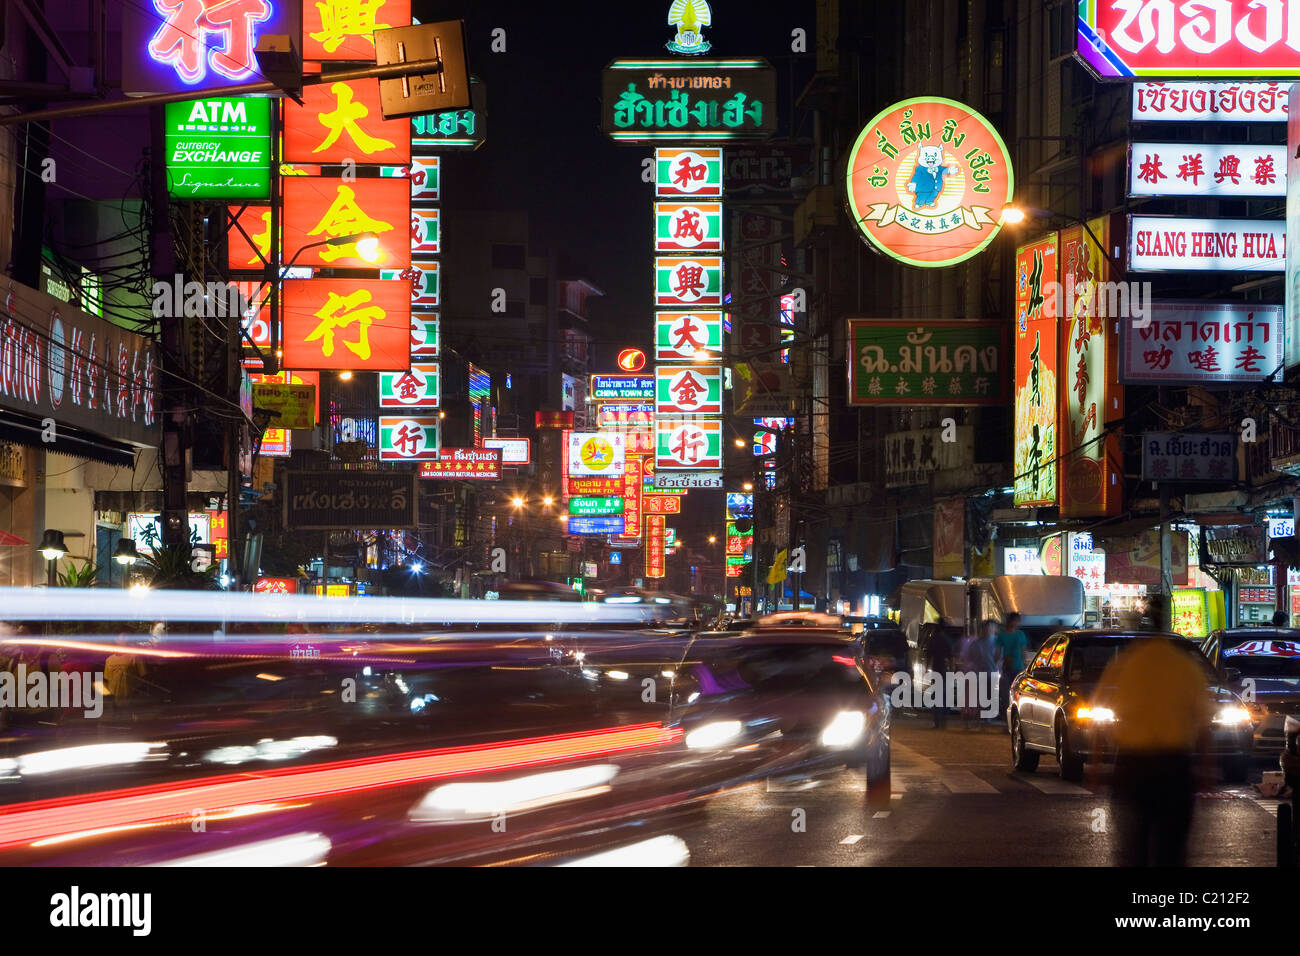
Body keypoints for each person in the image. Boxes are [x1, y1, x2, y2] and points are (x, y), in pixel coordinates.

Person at [1100, 637, 1210, 867]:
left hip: (1132, 767)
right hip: (1174, 767)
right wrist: (1206, 767)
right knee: (1171, 850)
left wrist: (1096, 762)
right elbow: (1203, 724)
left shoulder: (1126, 663)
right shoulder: (1185, 665)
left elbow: (1100, 716)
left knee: (1133, 848)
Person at [996, 613, 1031, 726]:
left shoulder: (1020, 635)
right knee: (1006, 695)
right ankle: (1008, 721)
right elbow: (997, 652)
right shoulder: (1002, 635)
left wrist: (1025, 666)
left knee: (1016, 695)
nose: (1015, 623)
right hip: (1007, 668)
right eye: (1014, 621)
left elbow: (1023, 652)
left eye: (1017, 621)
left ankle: (1015, 721)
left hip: (1018, 668)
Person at [927, 617, 956, 729]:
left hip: (936, 669)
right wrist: (952, 670)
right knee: (945, 695)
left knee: (937, 695)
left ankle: (937, 720)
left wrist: (927, 669)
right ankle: (943, 718)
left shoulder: (933, 639)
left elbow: (929, 655)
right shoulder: (947, 640)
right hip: (945, 670)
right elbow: (951, 657)